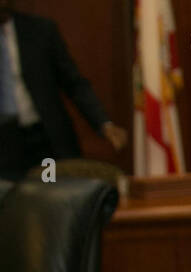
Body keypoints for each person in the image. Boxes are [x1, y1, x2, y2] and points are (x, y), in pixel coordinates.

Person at [0, 0, 127, 180]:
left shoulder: (40, 30)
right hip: (4, 145)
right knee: (8, 201)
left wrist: (103, 123)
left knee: (49, 192)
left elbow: (73, 82)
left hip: (43, 140)